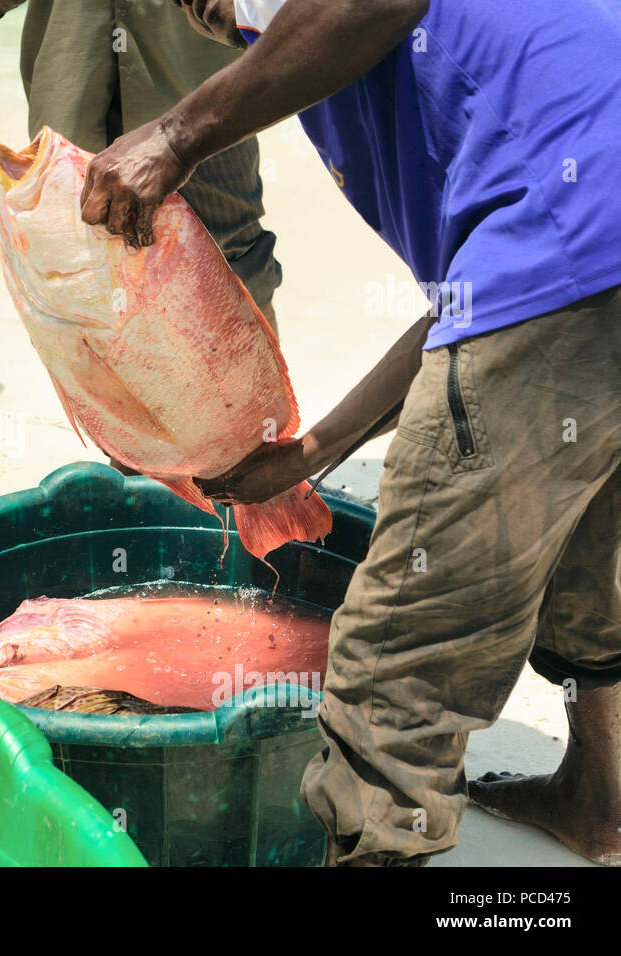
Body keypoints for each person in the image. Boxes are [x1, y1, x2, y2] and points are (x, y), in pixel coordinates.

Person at [82, 0, 621, 866]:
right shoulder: (371, 62)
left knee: (398, 646)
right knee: (588, 549)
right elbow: (472, 304)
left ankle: (377, 847)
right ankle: (603, 806)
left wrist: (177, 137)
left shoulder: (349, 22)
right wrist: (315, 449)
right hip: (586, 262)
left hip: (572, 250)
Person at [0, 0, 282, 331]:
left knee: (233, 265)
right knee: (86, 295)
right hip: (72, 96)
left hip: (201, 97)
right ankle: (130, 428)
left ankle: (265, 426)